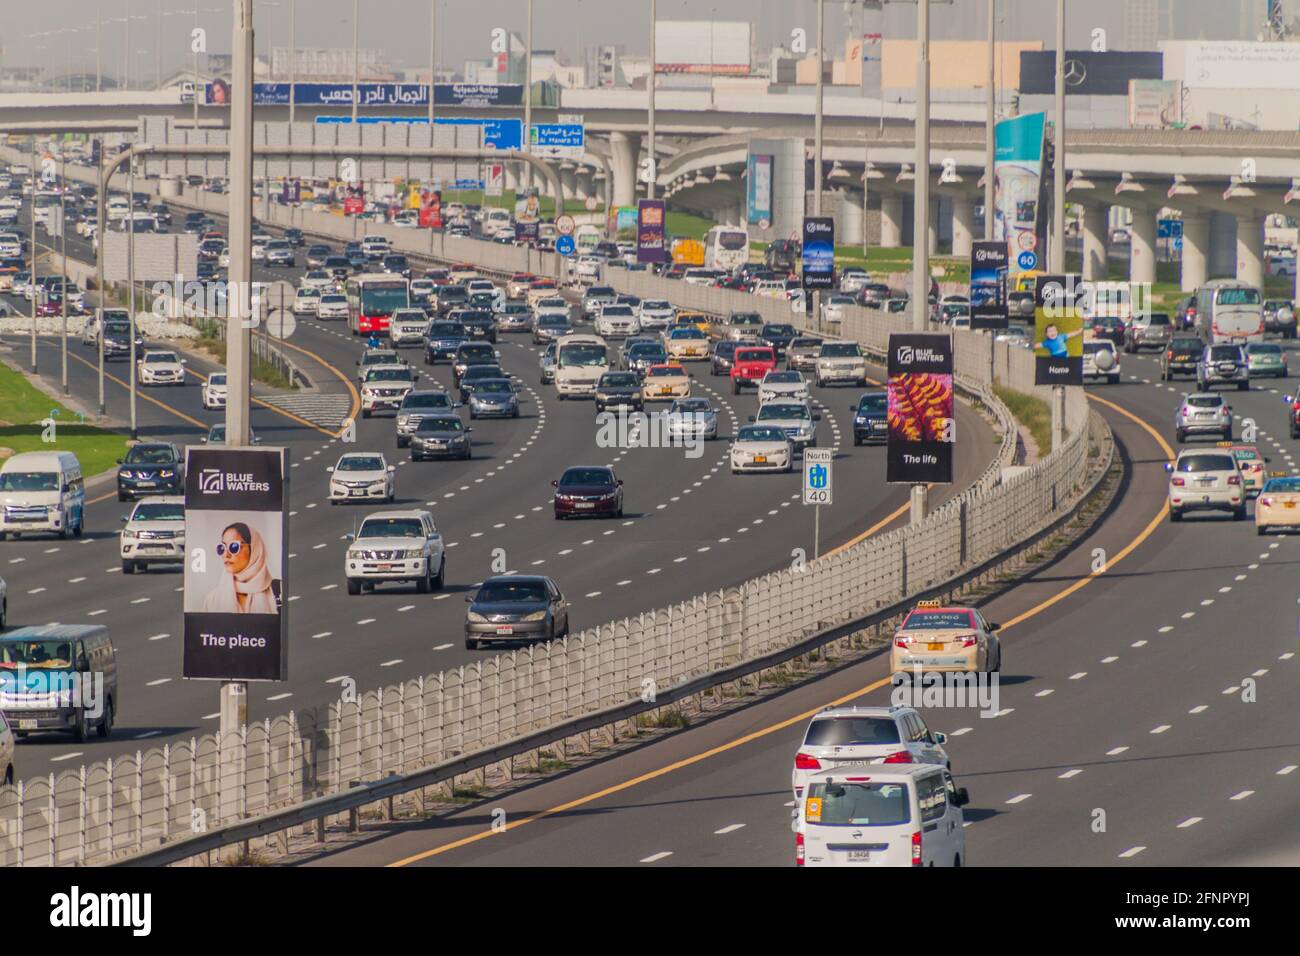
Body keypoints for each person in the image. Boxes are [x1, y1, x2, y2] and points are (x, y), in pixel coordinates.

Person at [202, 522, 280, 614]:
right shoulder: (212, 600)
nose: (226, 555)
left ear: (254, 548)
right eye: (222, 548)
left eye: (234, 547)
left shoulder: (279, 591)